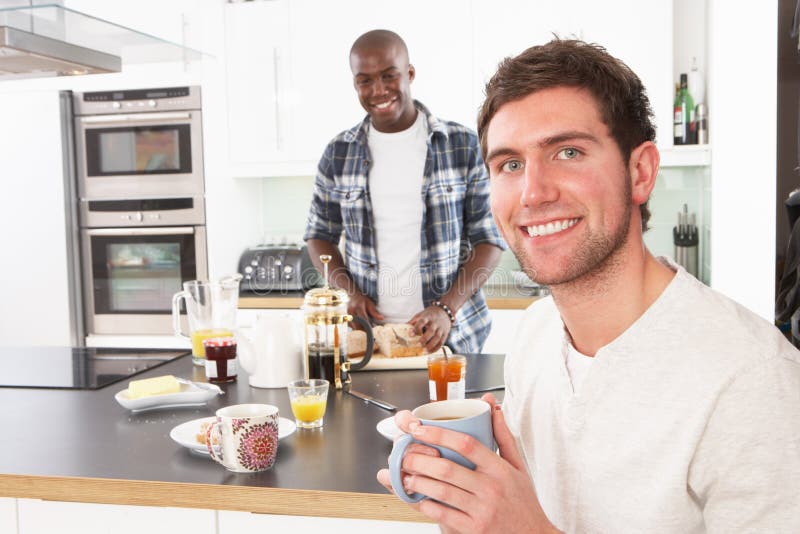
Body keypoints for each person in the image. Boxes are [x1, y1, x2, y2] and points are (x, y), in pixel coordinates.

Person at [377, 38, 800, 532]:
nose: (534, 192)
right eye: (510, 164)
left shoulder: (754, 382)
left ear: (639, 172)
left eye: (568, 151)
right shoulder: (536, 335)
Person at [304, 29, 505, 354]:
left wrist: (447, 309)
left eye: (389, 76)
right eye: (364, 81)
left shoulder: (462, 145)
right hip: (371, 341)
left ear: (409, 74)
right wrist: (350, 295)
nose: (378, 90)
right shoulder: (338, 153)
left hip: (451, 339)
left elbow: (490, 240)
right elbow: (318, 237)